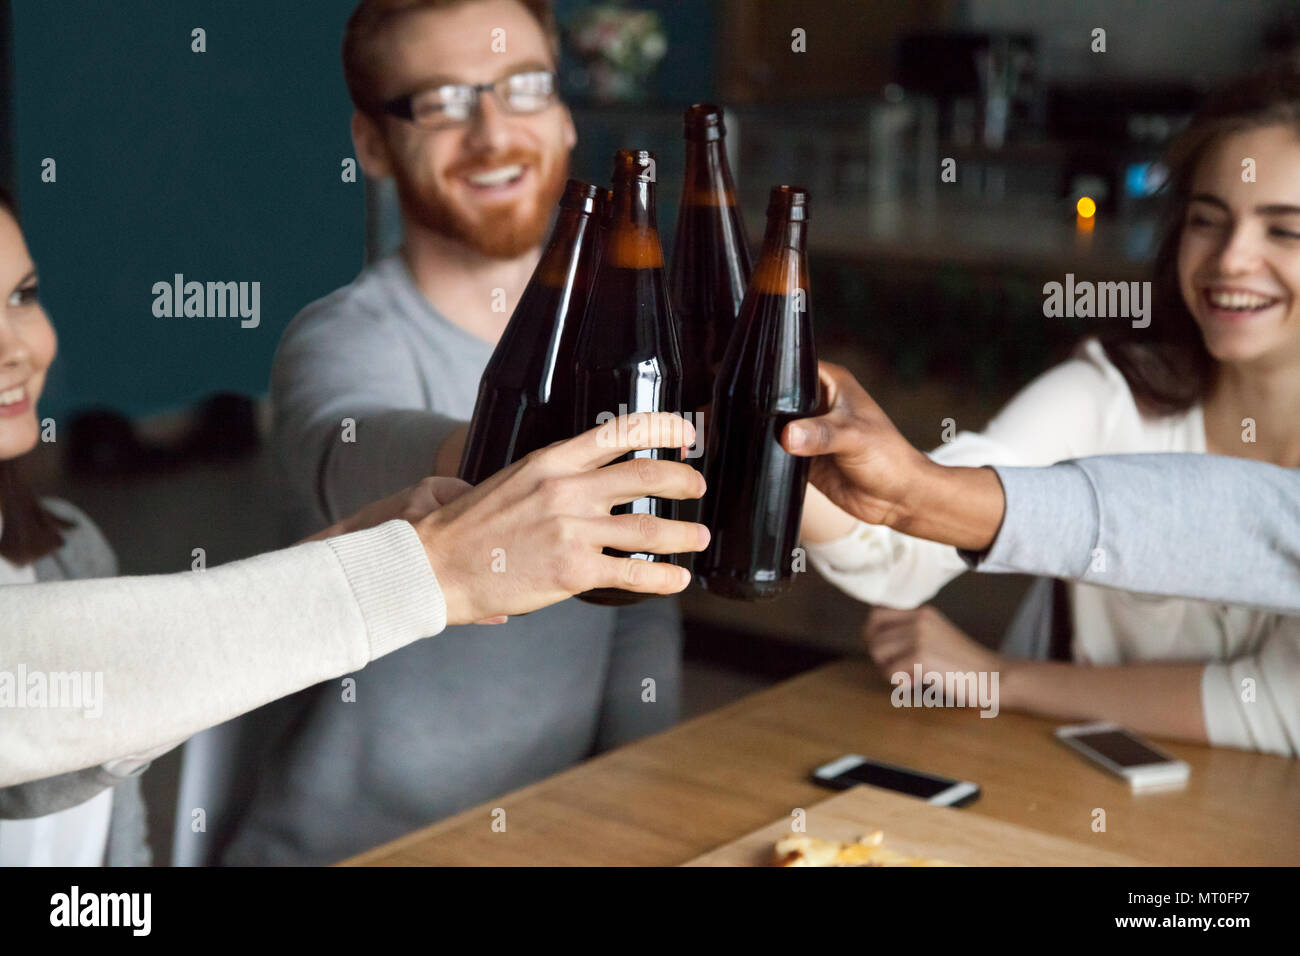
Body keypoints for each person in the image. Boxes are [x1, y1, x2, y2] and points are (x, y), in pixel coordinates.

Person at [0, 181, 708, 860]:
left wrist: (355, 553)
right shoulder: (344, 333)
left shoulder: (69, 548)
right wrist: (431, 567)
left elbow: (68, 765)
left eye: (23, 296)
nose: (16, 350)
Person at [218, 0, 686, 864]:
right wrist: (528, 455)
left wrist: (640, 797)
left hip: (556, 838)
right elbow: (351, 455)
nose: (494, 131)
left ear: (564, 109)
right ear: (372, 142)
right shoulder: (343, 337)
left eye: (524, 87)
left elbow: (639, 614)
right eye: (441, 101)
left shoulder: (626, 343)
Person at [795, 57, 1300, 756]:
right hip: (1054, 794)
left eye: (1286, 231)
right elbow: (896, 548)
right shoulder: (1111, 389)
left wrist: (1005, 679)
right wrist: (785, 433)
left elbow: (1282, 709)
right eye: (1208, 221)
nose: (1232, 260)